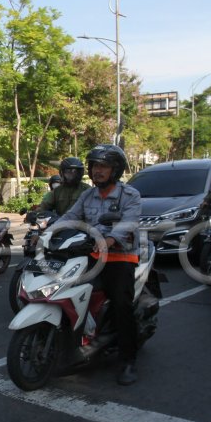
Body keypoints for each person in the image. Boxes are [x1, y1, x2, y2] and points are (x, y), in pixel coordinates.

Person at [59, 144, 143, 386]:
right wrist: (47, 231)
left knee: (121, 304)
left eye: (103, 166)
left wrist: (109, 240)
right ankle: (75, 347)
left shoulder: (130, 195)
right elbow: (71, 217)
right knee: (67, 292)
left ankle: (128, 360)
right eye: (95, 166)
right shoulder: (87, 195)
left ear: (115, 170)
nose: (97, 171)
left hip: (120, 257)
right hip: (93, 255)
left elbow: (129, 224)